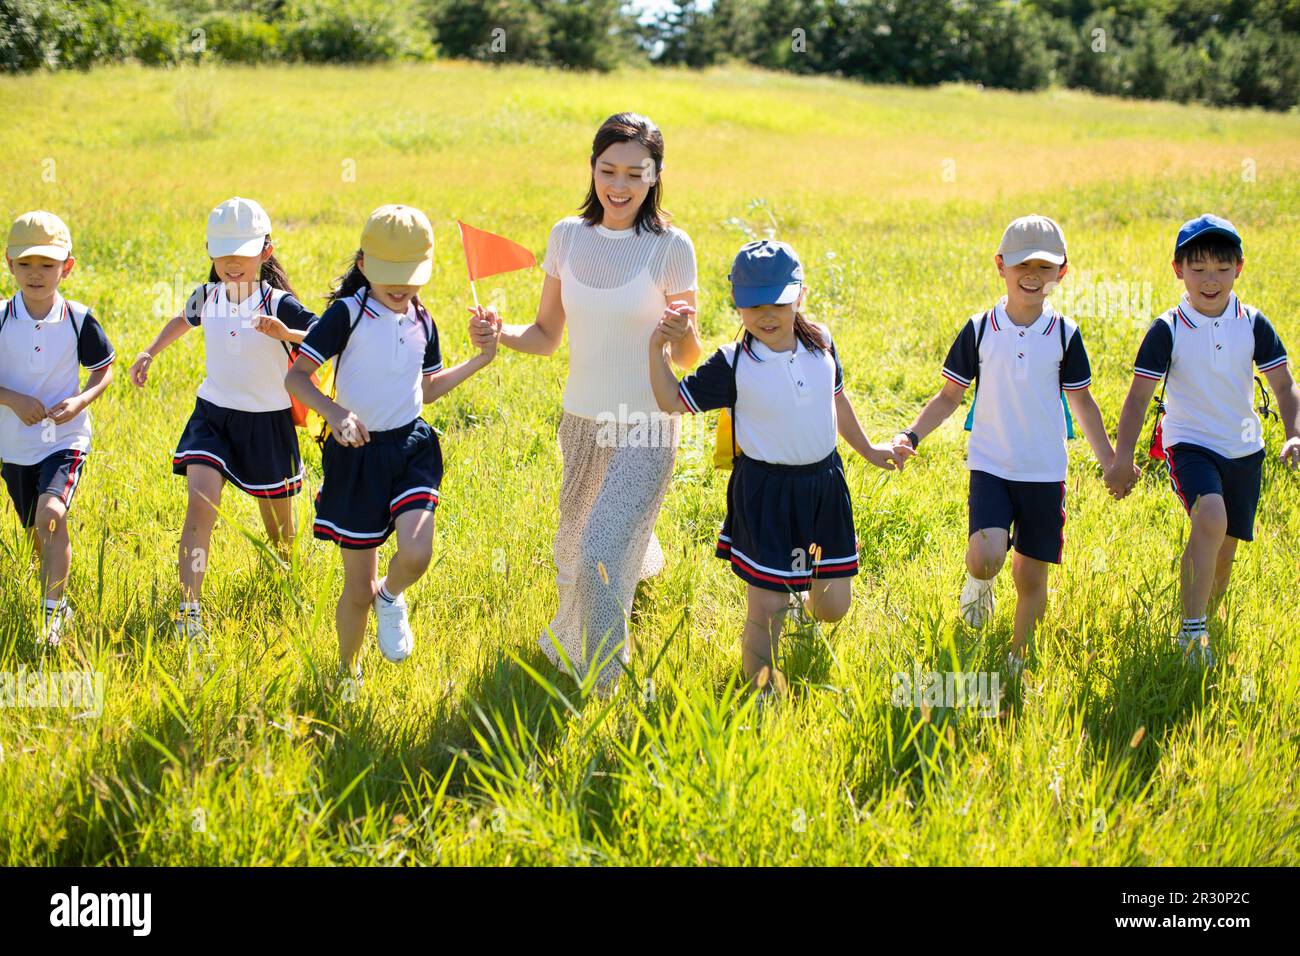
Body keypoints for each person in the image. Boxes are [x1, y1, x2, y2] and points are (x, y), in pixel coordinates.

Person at [471, 112, 699, 693]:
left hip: (647, 424)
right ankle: (637, 557)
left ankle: (602, 681)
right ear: (593, 169)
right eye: (607, 171)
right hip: (580, 425)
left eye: (633, 174)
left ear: (655, 177)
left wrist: (679, 335)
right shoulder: (567, 237)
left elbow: (692, 357)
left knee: (597, 553)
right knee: (574, 548)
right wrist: (500, 334)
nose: (618, 187)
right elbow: (546, 336)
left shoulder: (672, 247)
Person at [651, 239, 911, 694]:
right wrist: (658, 351)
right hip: (766, 492)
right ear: (736, 302)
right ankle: (763, 694)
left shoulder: (822, 343)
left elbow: (837, 401)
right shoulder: (732, 364)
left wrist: (870, 449)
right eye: (753, 304)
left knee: (832, 607)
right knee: (766, 608)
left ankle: (798, 595)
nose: (766, 314)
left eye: (779, 301)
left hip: (824, 486)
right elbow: (671, 400)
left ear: (800, 295)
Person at [891, 215, 1120, 674]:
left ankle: (1018, 659)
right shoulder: (980, 329)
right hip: (991, 465)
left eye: (1044, 266)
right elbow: (949, 396)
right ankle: (978, 584)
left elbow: (1082, 403)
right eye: (1021, 265)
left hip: (1044, 471)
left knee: (1031, 576)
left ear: (1062, 272)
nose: (1032, 275)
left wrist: (1111, 462)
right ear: (1000, 266)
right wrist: (910, 435)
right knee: (986, 555)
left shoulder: (1065, 335)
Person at [286, 204, 498, 681]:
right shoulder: (346, 315)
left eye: (410, 276)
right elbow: (297, 380)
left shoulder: (423, 319)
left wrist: (480, 360)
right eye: (389, 277)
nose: (401, 288)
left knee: (417, 555)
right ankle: (347, 673)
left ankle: (391, 594)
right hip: (356, 457)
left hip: (411, 449)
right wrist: (336, 413)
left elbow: (426, 389)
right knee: (355, 590)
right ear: (363, 265)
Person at [1105, 214, 1299, 668]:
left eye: (1221, 267)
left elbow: (1285, 384)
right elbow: (1137, 401)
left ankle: (1207, 618)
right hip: (1189, 443)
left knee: (1225, 545)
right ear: (1177, 270)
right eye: (1198, 268)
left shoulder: (1252, 323)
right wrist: (1120, 460)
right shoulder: (1167, 328)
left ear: (1239, 268)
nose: (1210, 279)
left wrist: (1294, 434)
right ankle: (1190, 635)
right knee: (1210, 516)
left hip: (1244, 449)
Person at [129, 197, 317, 641]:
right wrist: (150, 351)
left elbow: (323, 335)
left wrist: (285, 332)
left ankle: (285, 582)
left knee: (280, 535)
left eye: (244, 252)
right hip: (213, 417)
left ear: (265, 251)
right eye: (223, 252)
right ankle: (188, 611)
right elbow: (184, 317)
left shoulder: (278, 301)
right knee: (200, 506)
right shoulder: (207, 294)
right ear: (210, 252)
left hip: (267, 423)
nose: (233, 262)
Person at [0, 210, 115, 646]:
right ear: (9, 264)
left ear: (67, 267)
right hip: (12, 446)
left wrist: (82, 400)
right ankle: (53, 592)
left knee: (51, 514)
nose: (36, 274)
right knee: (34, 527)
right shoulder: (1, 319)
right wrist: (12, 399)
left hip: (64, 439)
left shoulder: (78, 318)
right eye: (25, 264)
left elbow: (104, 369)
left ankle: (52, 615)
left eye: (47, 265)